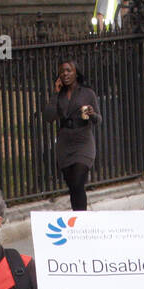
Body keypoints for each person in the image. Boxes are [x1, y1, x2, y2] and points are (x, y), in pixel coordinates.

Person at [43, 59, 101, 212]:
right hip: (65, 144)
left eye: (69, 70)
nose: (65, 74)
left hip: (83, 142)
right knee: (72, 187)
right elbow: (49, 117)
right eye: (62, 71)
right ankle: (79, 216)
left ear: (76, 72)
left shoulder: (88, 93)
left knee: (78, 181)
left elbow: (98, 119)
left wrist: (92, 114)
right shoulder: (59, 95)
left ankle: (82, 221)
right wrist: (55, 93)